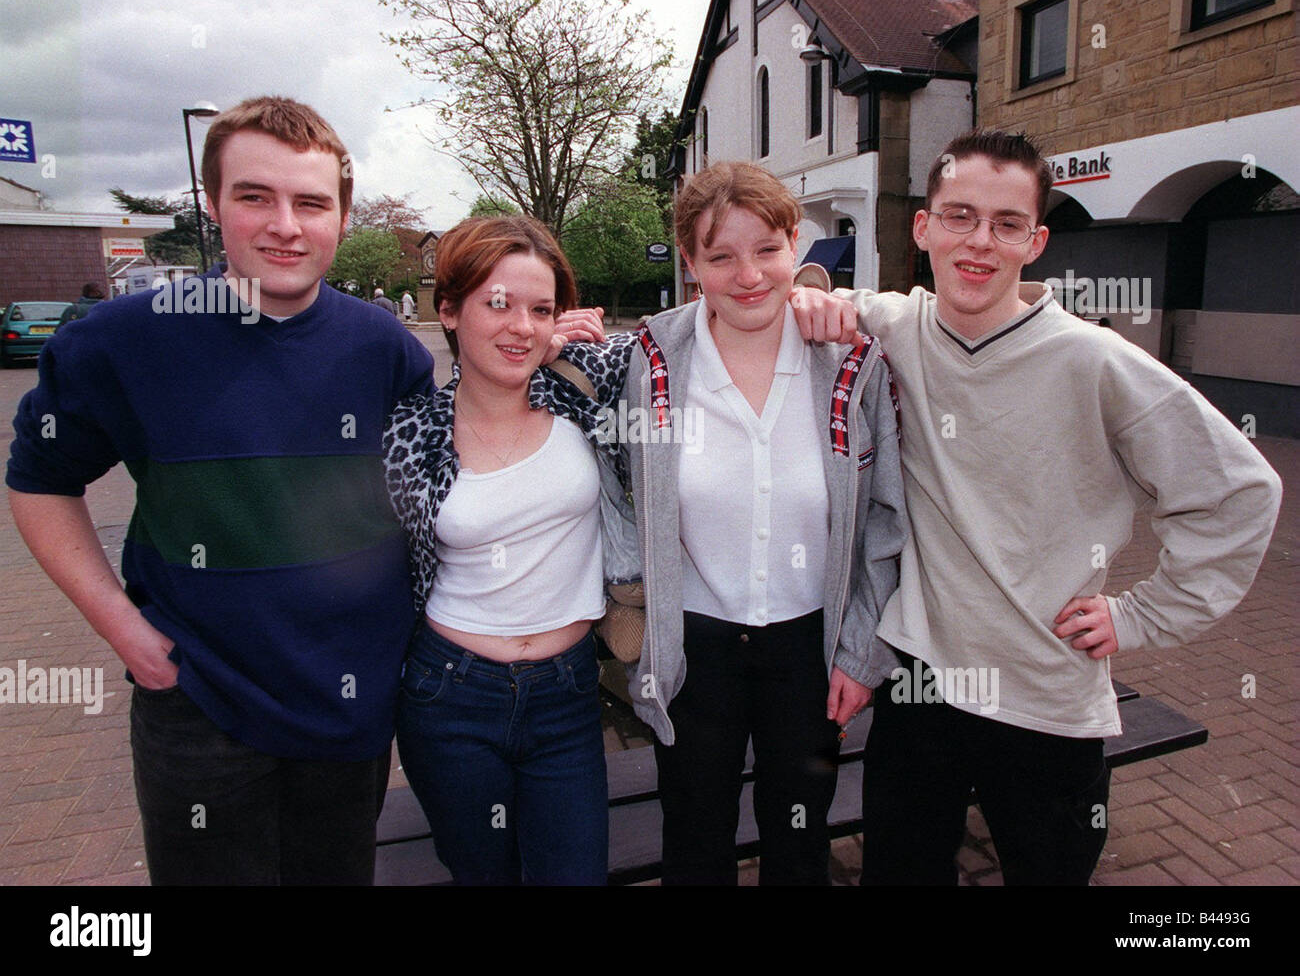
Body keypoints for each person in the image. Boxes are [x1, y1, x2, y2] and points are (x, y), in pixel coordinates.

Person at [796, 128, 1283, 884]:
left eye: (1006, 223)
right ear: (923, 229)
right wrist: (811, 288)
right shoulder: (895, 325)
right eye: (959, 216)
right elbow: (787, 294)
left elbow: (1240, 490)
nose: (979, 241)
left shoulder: (1096, 360)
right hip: (920, 684)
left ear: (1037, 240)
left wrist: (1141, 615)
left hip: (1045, 695)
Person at [6, 95, 434, 885]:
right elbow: (38, 482)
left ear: (341, 214)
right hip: (198, 703)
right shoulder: (121, 344)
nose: (285, 225)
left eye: (311, 202)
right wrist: (122, 630)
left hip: (349, 703)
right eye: (254, 197)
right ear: (213, 204)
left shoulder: (386, 349)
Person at [559, 160, 907, 884]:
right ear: (690, 263)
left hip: (810, 650)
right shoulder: (647, 358)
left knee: (800, 841)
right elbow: (532, 384)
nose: (748, 275)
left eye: (768, 251)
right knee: (694, 839)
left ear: (795, 246)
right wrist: (545, 334)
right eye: (720, 256)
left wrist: (860, 649)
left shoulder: (851, 359)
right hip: (693, 649)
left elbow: (884, 519)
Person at [382, 214, 638, 885]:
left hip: (568, 693)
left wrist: (823, 298)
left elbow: (706, 337)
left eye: (540, 308)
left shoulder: (586, 391)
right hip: (450, 696)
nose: (520, 326)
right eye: (497, 304)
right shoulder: (411, 432)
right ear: (448, 309)